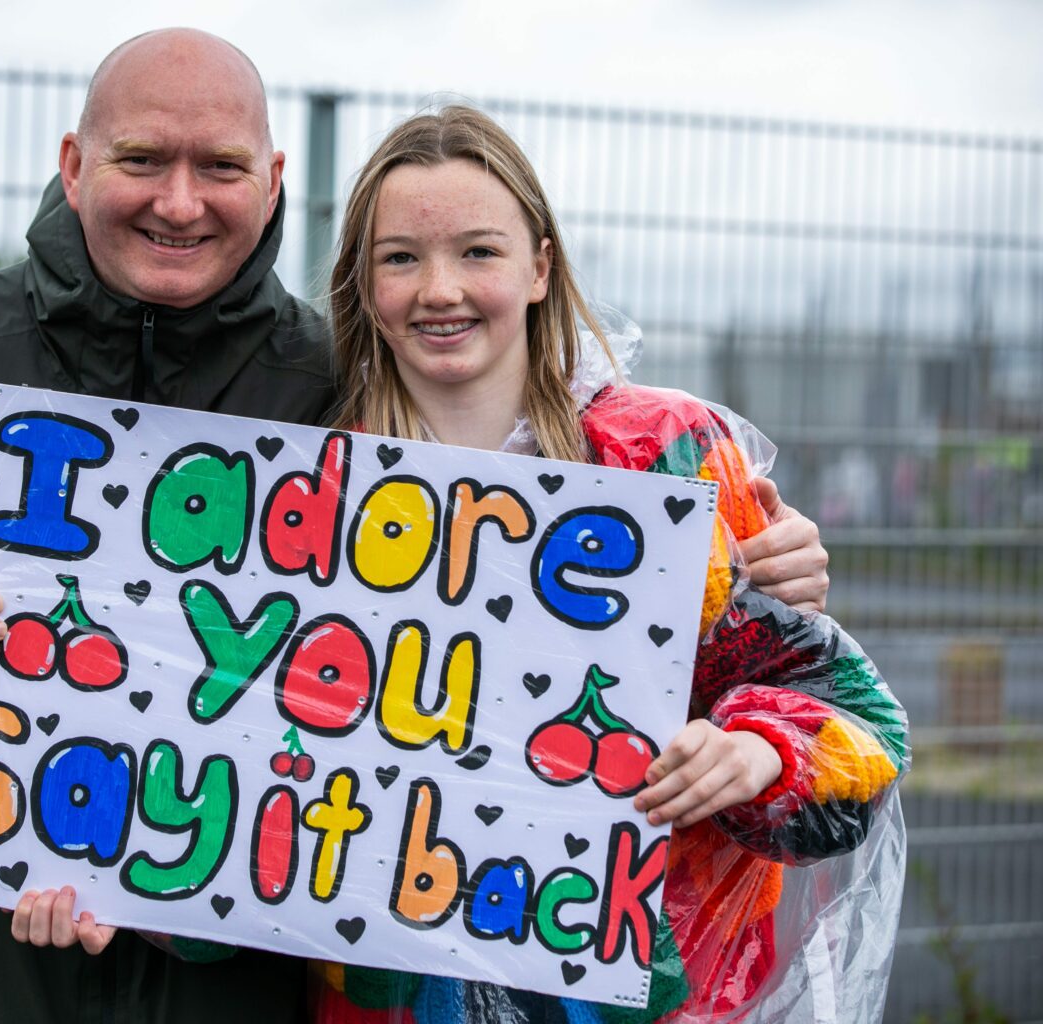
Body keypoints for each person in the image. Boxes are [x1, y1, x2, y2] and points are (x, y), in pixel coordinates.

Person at [0, 31, 834, 1024]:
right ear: (73, 163)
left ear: (274, 178)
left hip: (247, 986)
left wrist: (748, 560)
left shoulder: (347, 391)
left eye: (221, 167)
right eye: (142, 160)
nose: (181, 201)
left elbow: (544, 543)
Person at [309, 105, 907, 1023]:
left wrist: (758, 750)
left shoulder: (665, 460)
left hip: (652, 996)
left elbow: (858, 723)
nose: (440, 289)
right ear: (364, 280)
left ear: (540, 266)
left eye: (478, 252)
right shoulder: (306, 493)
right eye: (400, 257)